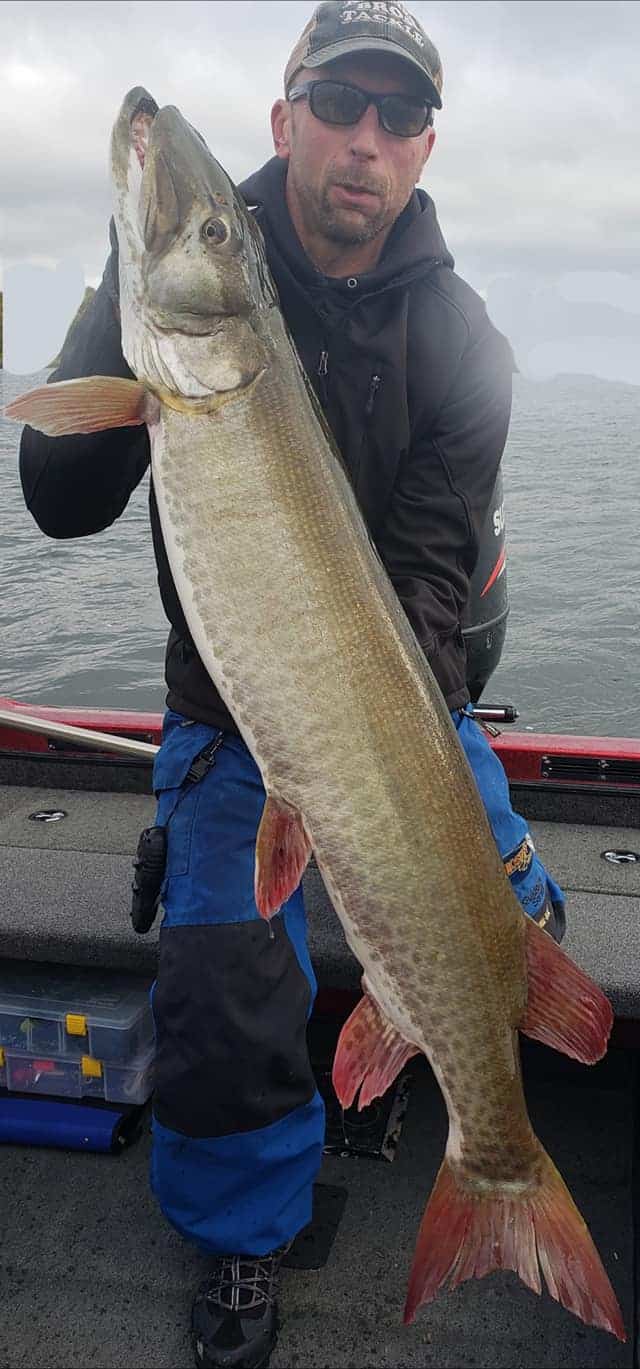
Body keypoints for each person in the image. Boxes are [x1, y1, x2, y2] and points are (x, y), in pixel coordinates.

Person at [19, 4, 566, 1366]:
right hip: (225, 714)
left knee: (523, 918)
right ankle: (242, 1238)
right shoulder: (195, 309)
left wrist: (369, 772)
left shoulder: (466, 341)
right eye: (340, 107)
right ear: (287, 122)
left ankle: (471, 1133)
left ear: (426, 145)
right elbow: (59, 493)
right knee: (218, 995)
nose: (364, 143)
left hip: (400, 702)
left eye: (396, 117)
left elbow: (439, 576)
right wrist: (128, 276)